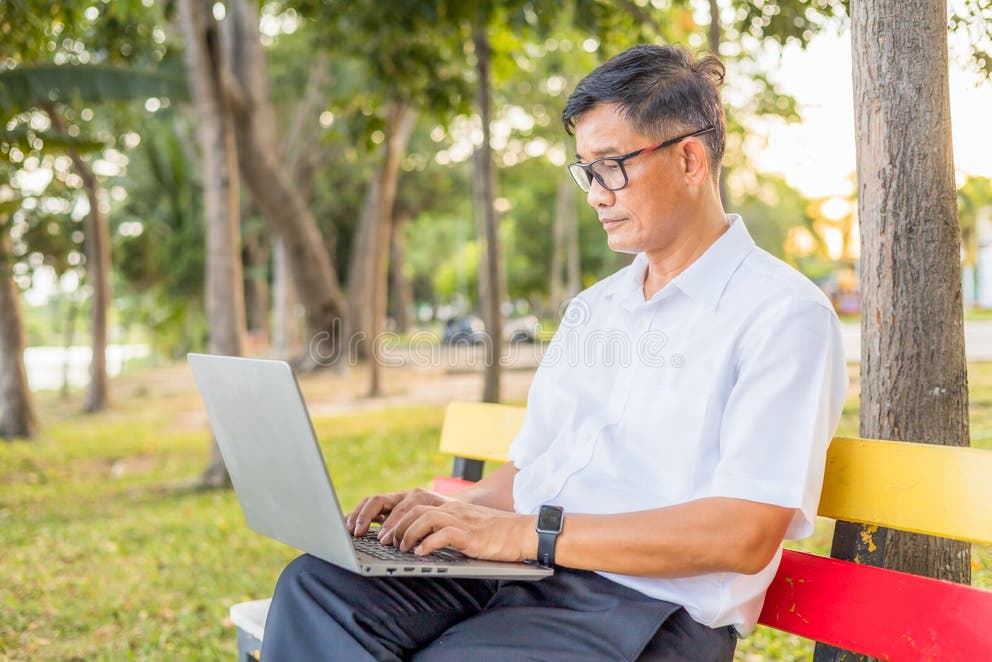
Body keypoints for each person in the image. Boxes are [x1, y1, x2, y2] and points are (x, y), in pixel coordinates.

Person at [260, 44, 848, 661]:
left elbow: (743, 534)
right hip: (524, 569)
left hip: (647, 608)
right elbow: (537, 468)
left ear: (691, 159)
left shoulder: (783, 315)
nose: (595, 194)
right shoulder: (596, 309)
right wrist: (452, 511)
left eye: (611, 166)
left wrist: (529, 537)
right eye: (586, 170)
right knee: (317, 589)